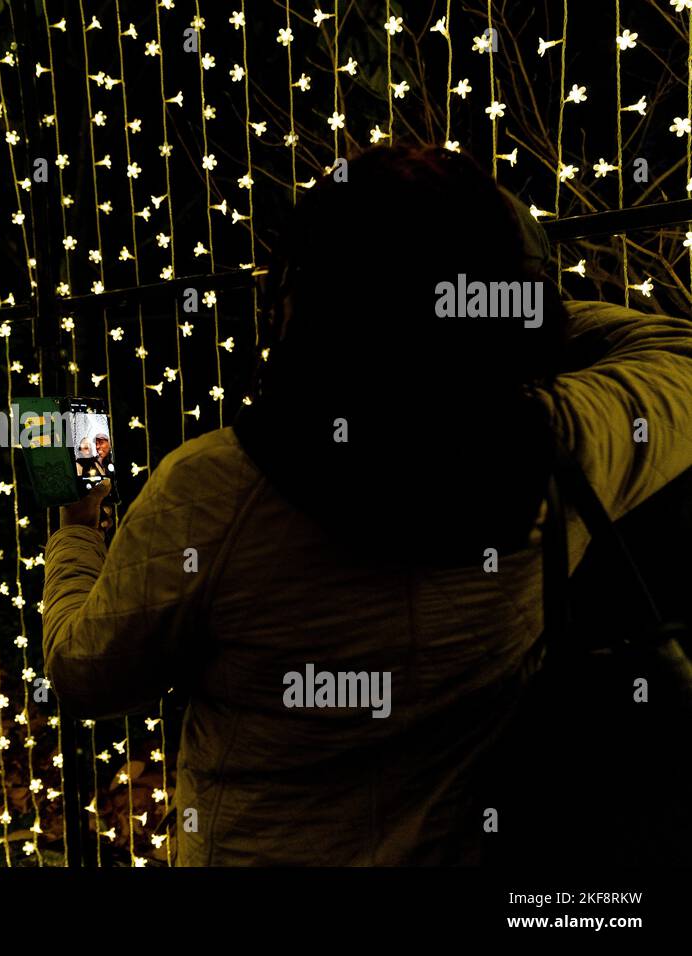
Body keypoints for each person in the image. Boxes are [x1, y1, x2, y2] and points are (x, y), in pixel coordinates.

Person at [41, 145, 692, 865]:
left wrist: (76, 528)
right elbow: (678, 352)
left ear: (293, 309)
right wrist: (504, 307)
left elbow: (85, 674)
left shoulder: (214, 487)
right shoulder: (559, 443)